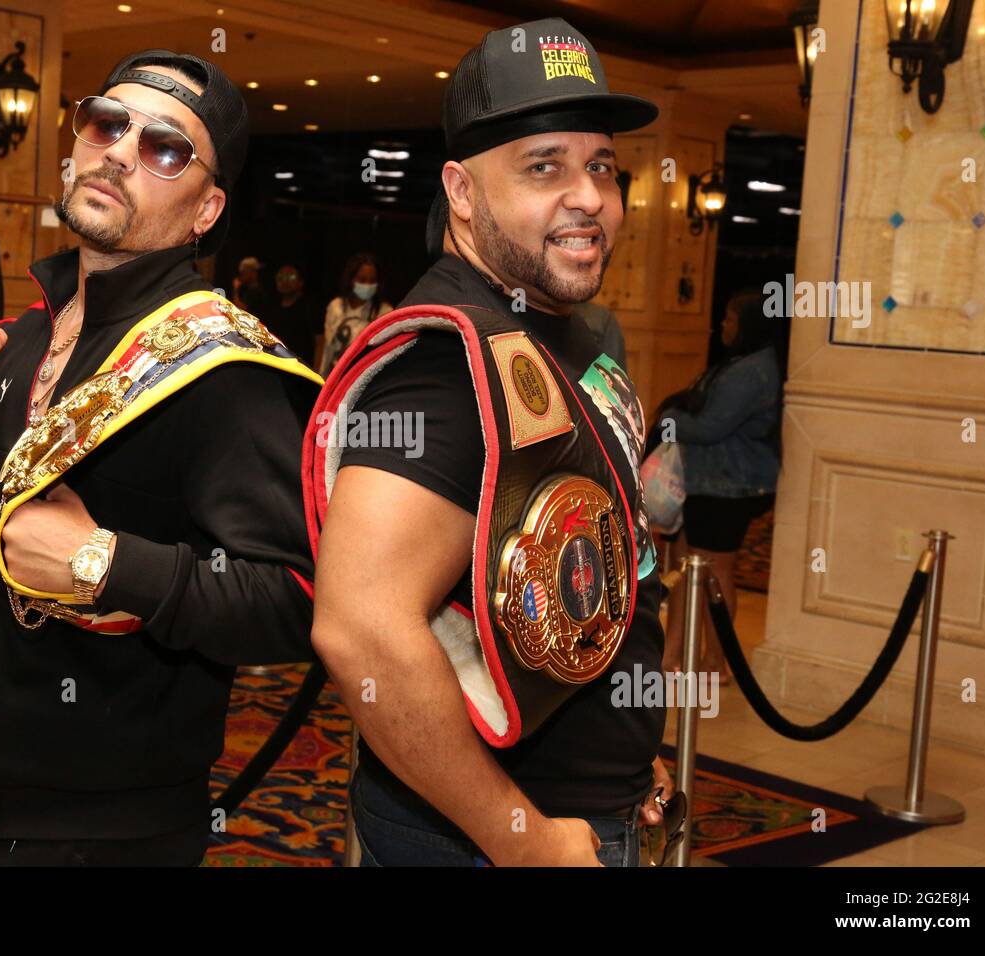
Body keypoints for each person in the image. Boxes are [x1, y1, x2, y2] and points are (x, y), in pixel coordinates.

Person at [0, 49, 321, 866]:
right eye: (107, 123)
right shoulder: (17, 338)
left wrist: (105, 562)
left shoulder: (223, 368)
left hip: (122, 830)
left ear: (207, 209)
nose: (120, 151)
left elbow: (299, 599)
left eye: (165, 146)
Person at [308, 19, 671, 867]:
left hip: (576, 801)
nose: (587, 196)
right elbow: (360, 632)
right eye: (543, 166)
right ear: (462, 193)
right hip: (488, 835)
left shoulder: (562, 328)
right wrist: (526, 839)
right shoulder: (444, 365)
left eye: (601, 167)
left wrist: (618, 749)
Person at [656, 290, 785, 678]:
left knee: (714, 573)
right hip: (706, 482)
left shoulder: (752, 370)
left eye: (730, 318)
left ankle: (717, 661)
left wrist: (668, 418)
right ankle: (675, 654)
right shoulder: (746, 363)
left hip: (726, 487)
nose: (722, 325)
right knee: (686, 569)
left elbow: (712, 427)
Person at [317, 252, 392, 374]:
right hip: (334, 373)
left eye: (372, 280)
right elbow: (327, 349)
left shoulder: (384, 312)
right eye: (362, 279)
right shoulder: (336, 306)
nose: (367, 285)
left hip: (361, 375)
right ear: (351, 279)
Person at [269, 263, 321, 366]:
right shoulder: (270, 308)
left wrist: (318, 369)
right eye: (280, 278)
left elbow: (320, 341)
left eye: (291, 277)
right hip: (279, 366)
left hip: (304, 367)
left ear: (301, 282)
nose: (285, 281)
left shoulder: (309, 306)